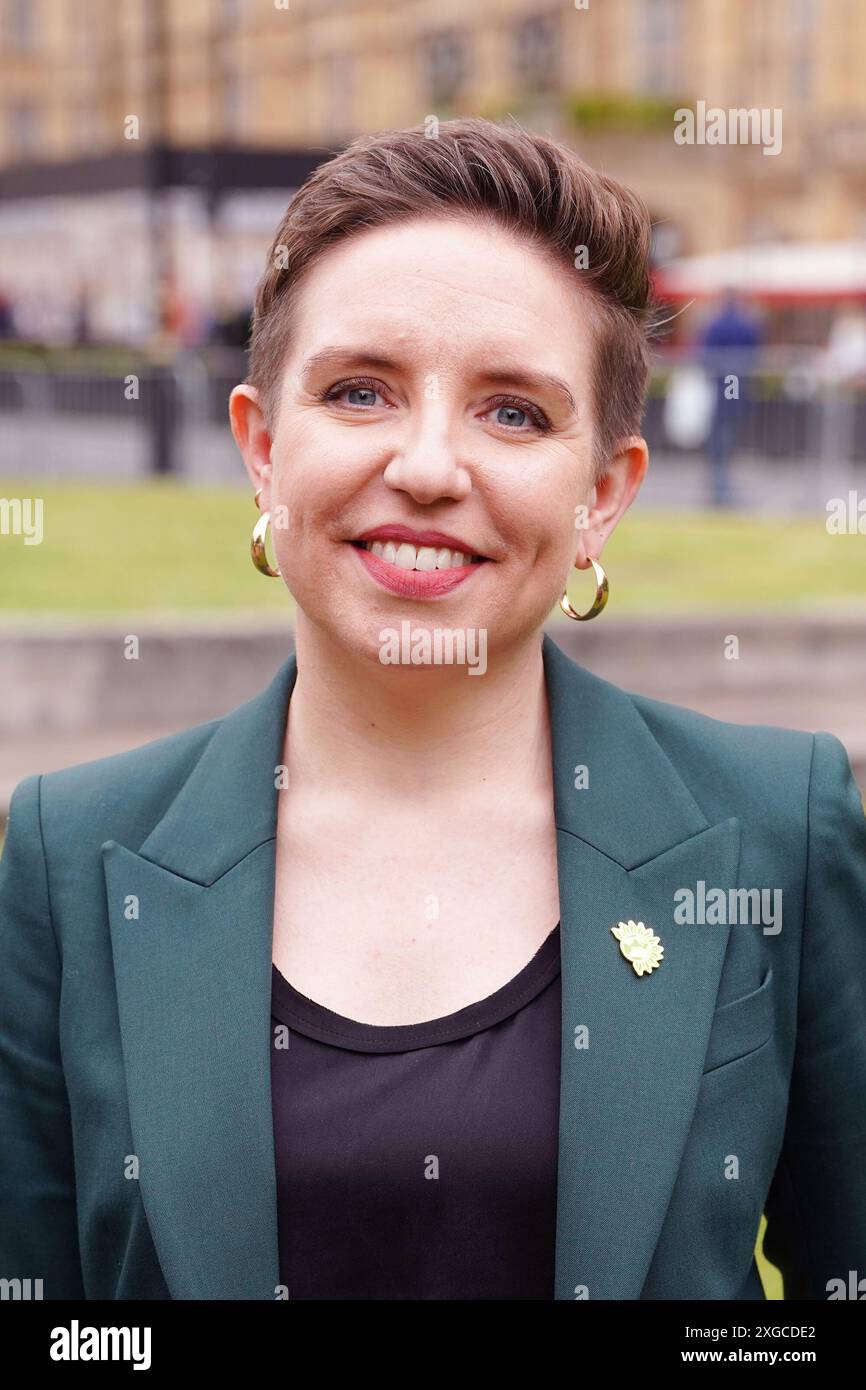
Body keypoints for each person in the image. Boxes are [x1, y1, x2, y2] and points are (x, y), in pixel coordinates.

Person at [1, 118, 864, 1302]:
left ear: (601, 496)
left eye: (512, 412)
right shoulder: (69, 853)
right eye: (360, 391)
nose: (426, 465)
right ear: (260, 448)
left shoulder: (776, 821)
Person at [699, 288, 762, 507]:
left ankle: (720, 487)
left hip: (721, 389)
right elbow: (755, 351)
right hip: (736, 388)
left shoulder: (715, 324)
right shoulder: (746, 324)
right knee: (727, 437)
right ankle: (722, 486)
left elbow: (704, 354)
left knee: (719, 439)